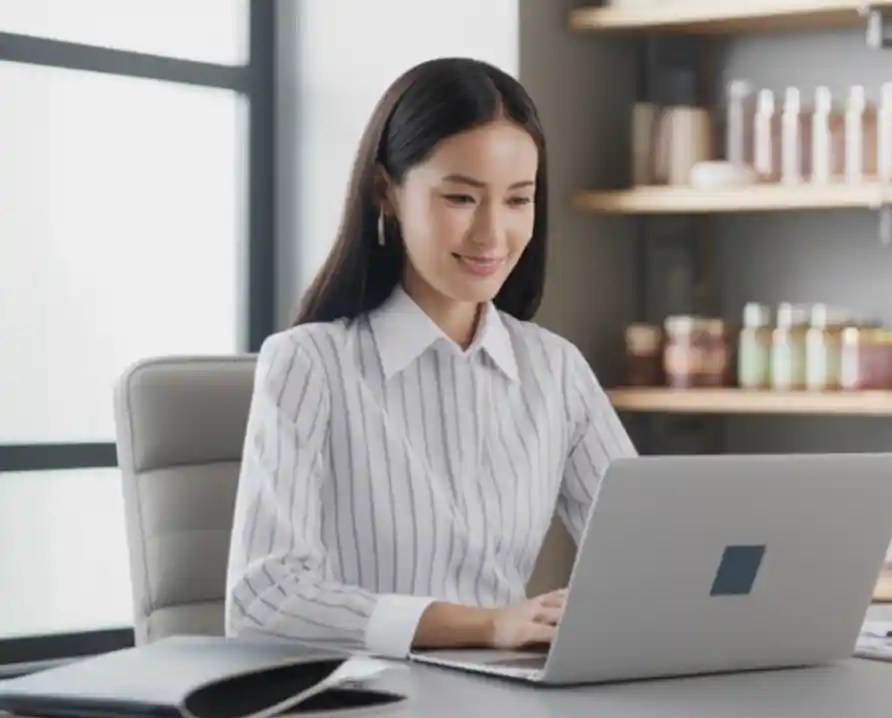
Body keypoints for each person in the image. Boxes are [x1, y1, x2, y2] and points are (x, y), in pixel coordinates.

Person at [224, 57, 636, 658]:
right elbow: (264, 598)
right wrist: (489, 626)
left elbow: (649, 552)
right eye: (462, 198)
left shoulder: (556, 370)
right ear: (385, 192)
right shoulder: (309, 364)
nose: (492, 235)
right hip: (363, 698)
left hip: (509, 697)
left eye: (519, 200)